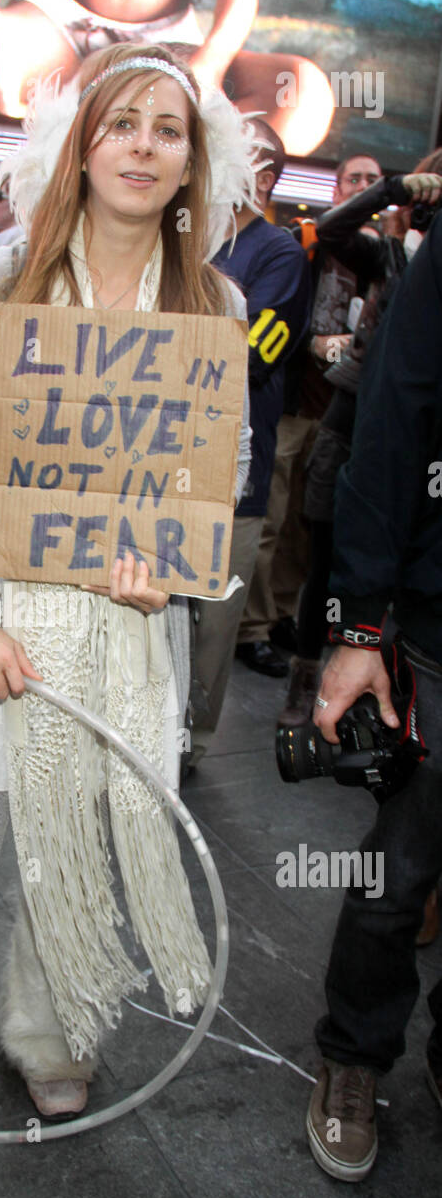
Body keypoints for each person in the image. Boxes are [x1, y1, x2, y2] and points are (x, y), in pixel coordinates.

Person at [0, 43, 253, 1158]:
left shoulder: (211, 299)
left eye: (167, 130)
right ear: (81, 138)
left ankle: (50, 1031)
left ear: (190, 160)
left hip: (130, 634)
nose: (142, 146)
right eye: (122, 123)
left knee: (79, 852)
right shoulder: (3, 274)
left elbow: (223, 476)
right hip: (1, 620)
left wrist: (171, 566)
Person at [306, 206, 442, 1183]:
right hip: (438, 629)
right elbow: (392, 415)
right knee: (400, 869)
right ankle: (352, 1057)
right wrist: (358, 626)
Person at [280, 153, 442, 728]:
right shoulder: (388, 255)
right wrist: (389, 193)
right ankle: (306, 675)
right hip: (354, 428)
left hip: (418, 456)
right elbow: (328, 232)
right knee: (324, 563)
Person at [0, 0, 333, 154]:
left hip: (171, 43)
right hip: (50, 21)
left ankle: (182, 168)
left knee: (303, 92)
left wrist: (209, 66)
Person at [189, 118, 311, 765]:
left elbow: (251, 354)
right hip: (167, 465)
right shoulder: (188, 237)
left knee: (211, 628)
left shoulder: (279, 255)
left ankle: (189, 745)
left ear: (262, 177)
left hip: (234, 474)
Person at [238, 152, 382, 676]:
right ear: (338, 187)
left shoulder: (380, 252)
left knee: (305, 524)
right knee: (270, 520)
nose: (365, 186)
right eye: (355, 180)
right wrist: (323, 346)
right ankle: (249, 628)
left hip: (342, 411)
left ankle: (276, 615)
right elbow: (283, 331)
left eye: (373, 180)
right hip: (294, 403)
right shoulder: (308, 240)